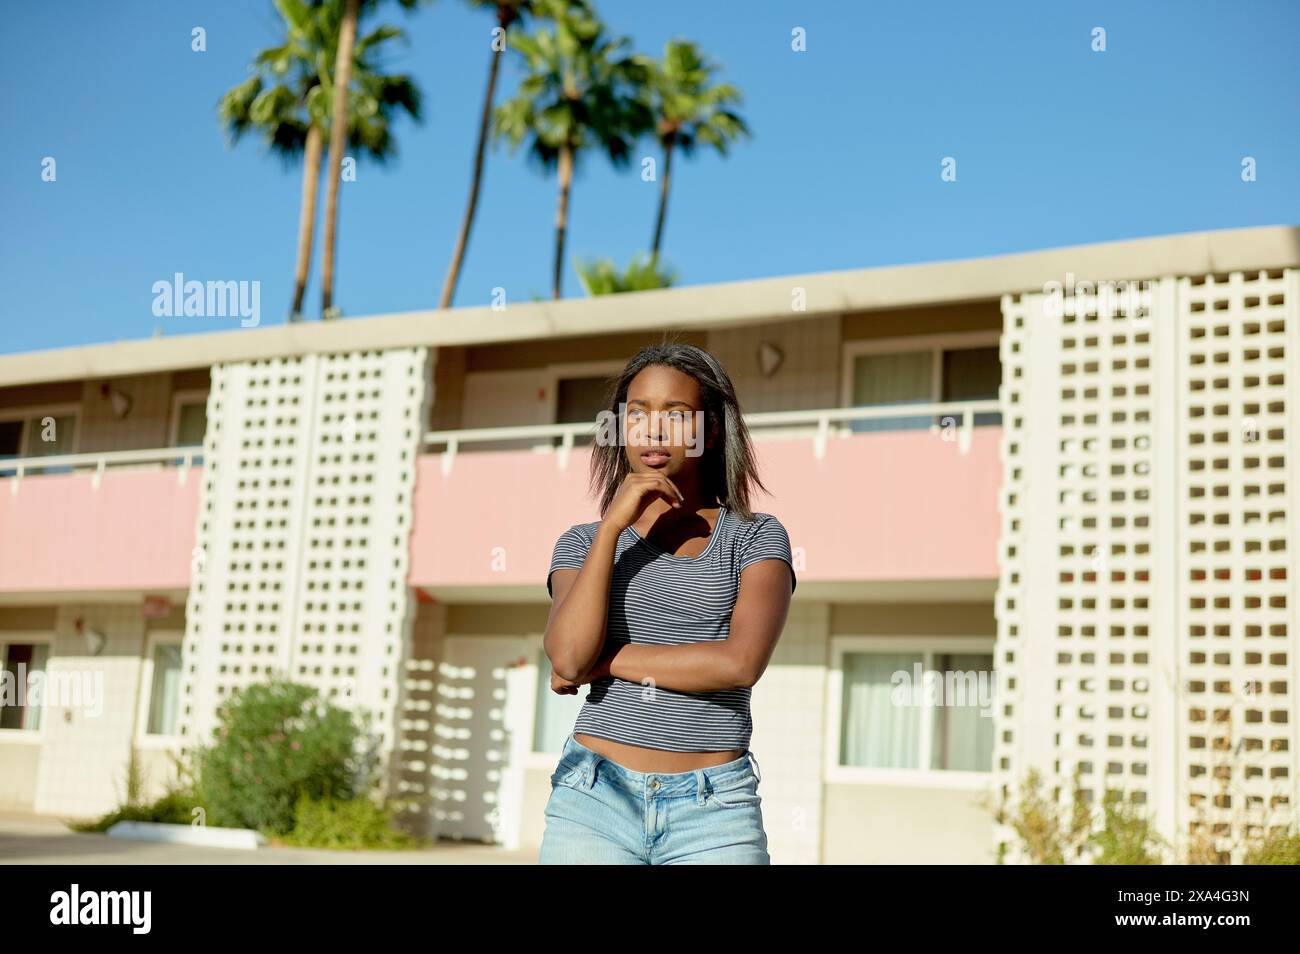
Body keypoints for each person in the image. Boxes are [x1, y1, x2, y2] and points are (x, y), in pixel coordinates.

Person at [539, 341, 796, 864]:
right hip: (593, 796)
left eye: (678, 415)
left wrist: (604, 661)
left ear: (713, 428)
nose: (654, 430)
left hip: (714, 810)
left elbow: (739, 663)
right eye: (637, 414)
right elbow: (567, 658)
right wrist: (612, 526)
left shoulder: (755, 538)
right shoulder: (583, 543)